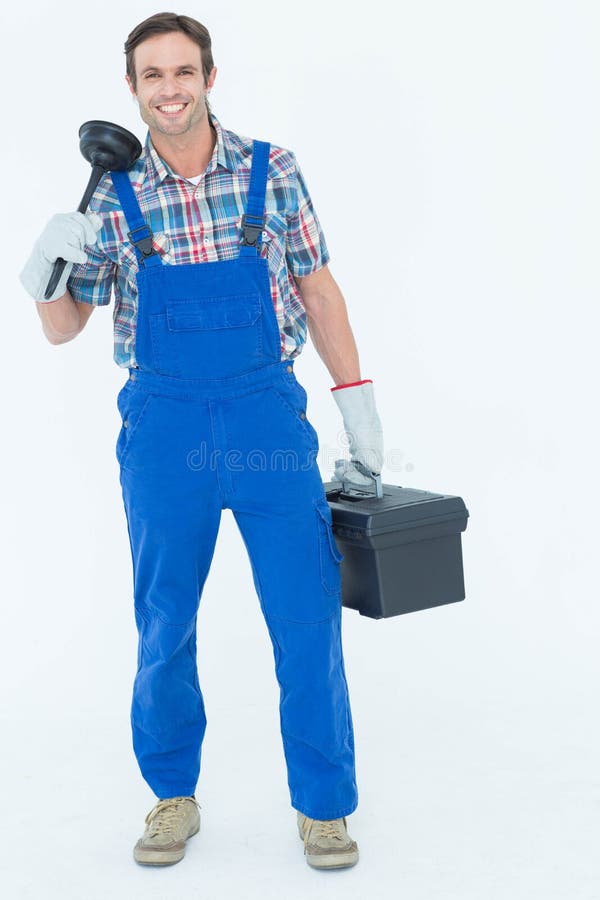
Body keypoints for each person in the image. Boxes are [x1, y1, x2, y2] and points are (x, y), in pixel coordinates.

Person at [20, 12, 384, 871]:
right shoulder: (111, 193)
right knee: (164, 621)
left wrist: (356, 401)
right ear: (133, 89)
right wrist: (42, 273)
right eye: (153, 76)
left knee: (304, 617)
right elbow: (65, 331)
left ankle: (324, 808)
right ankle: (171, 798)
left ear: (210, 78)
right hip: (165, 434)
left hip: (266, 423)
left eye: (184, 72)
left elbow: (318, 290)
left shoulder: (272, 170)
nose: (170, 89)